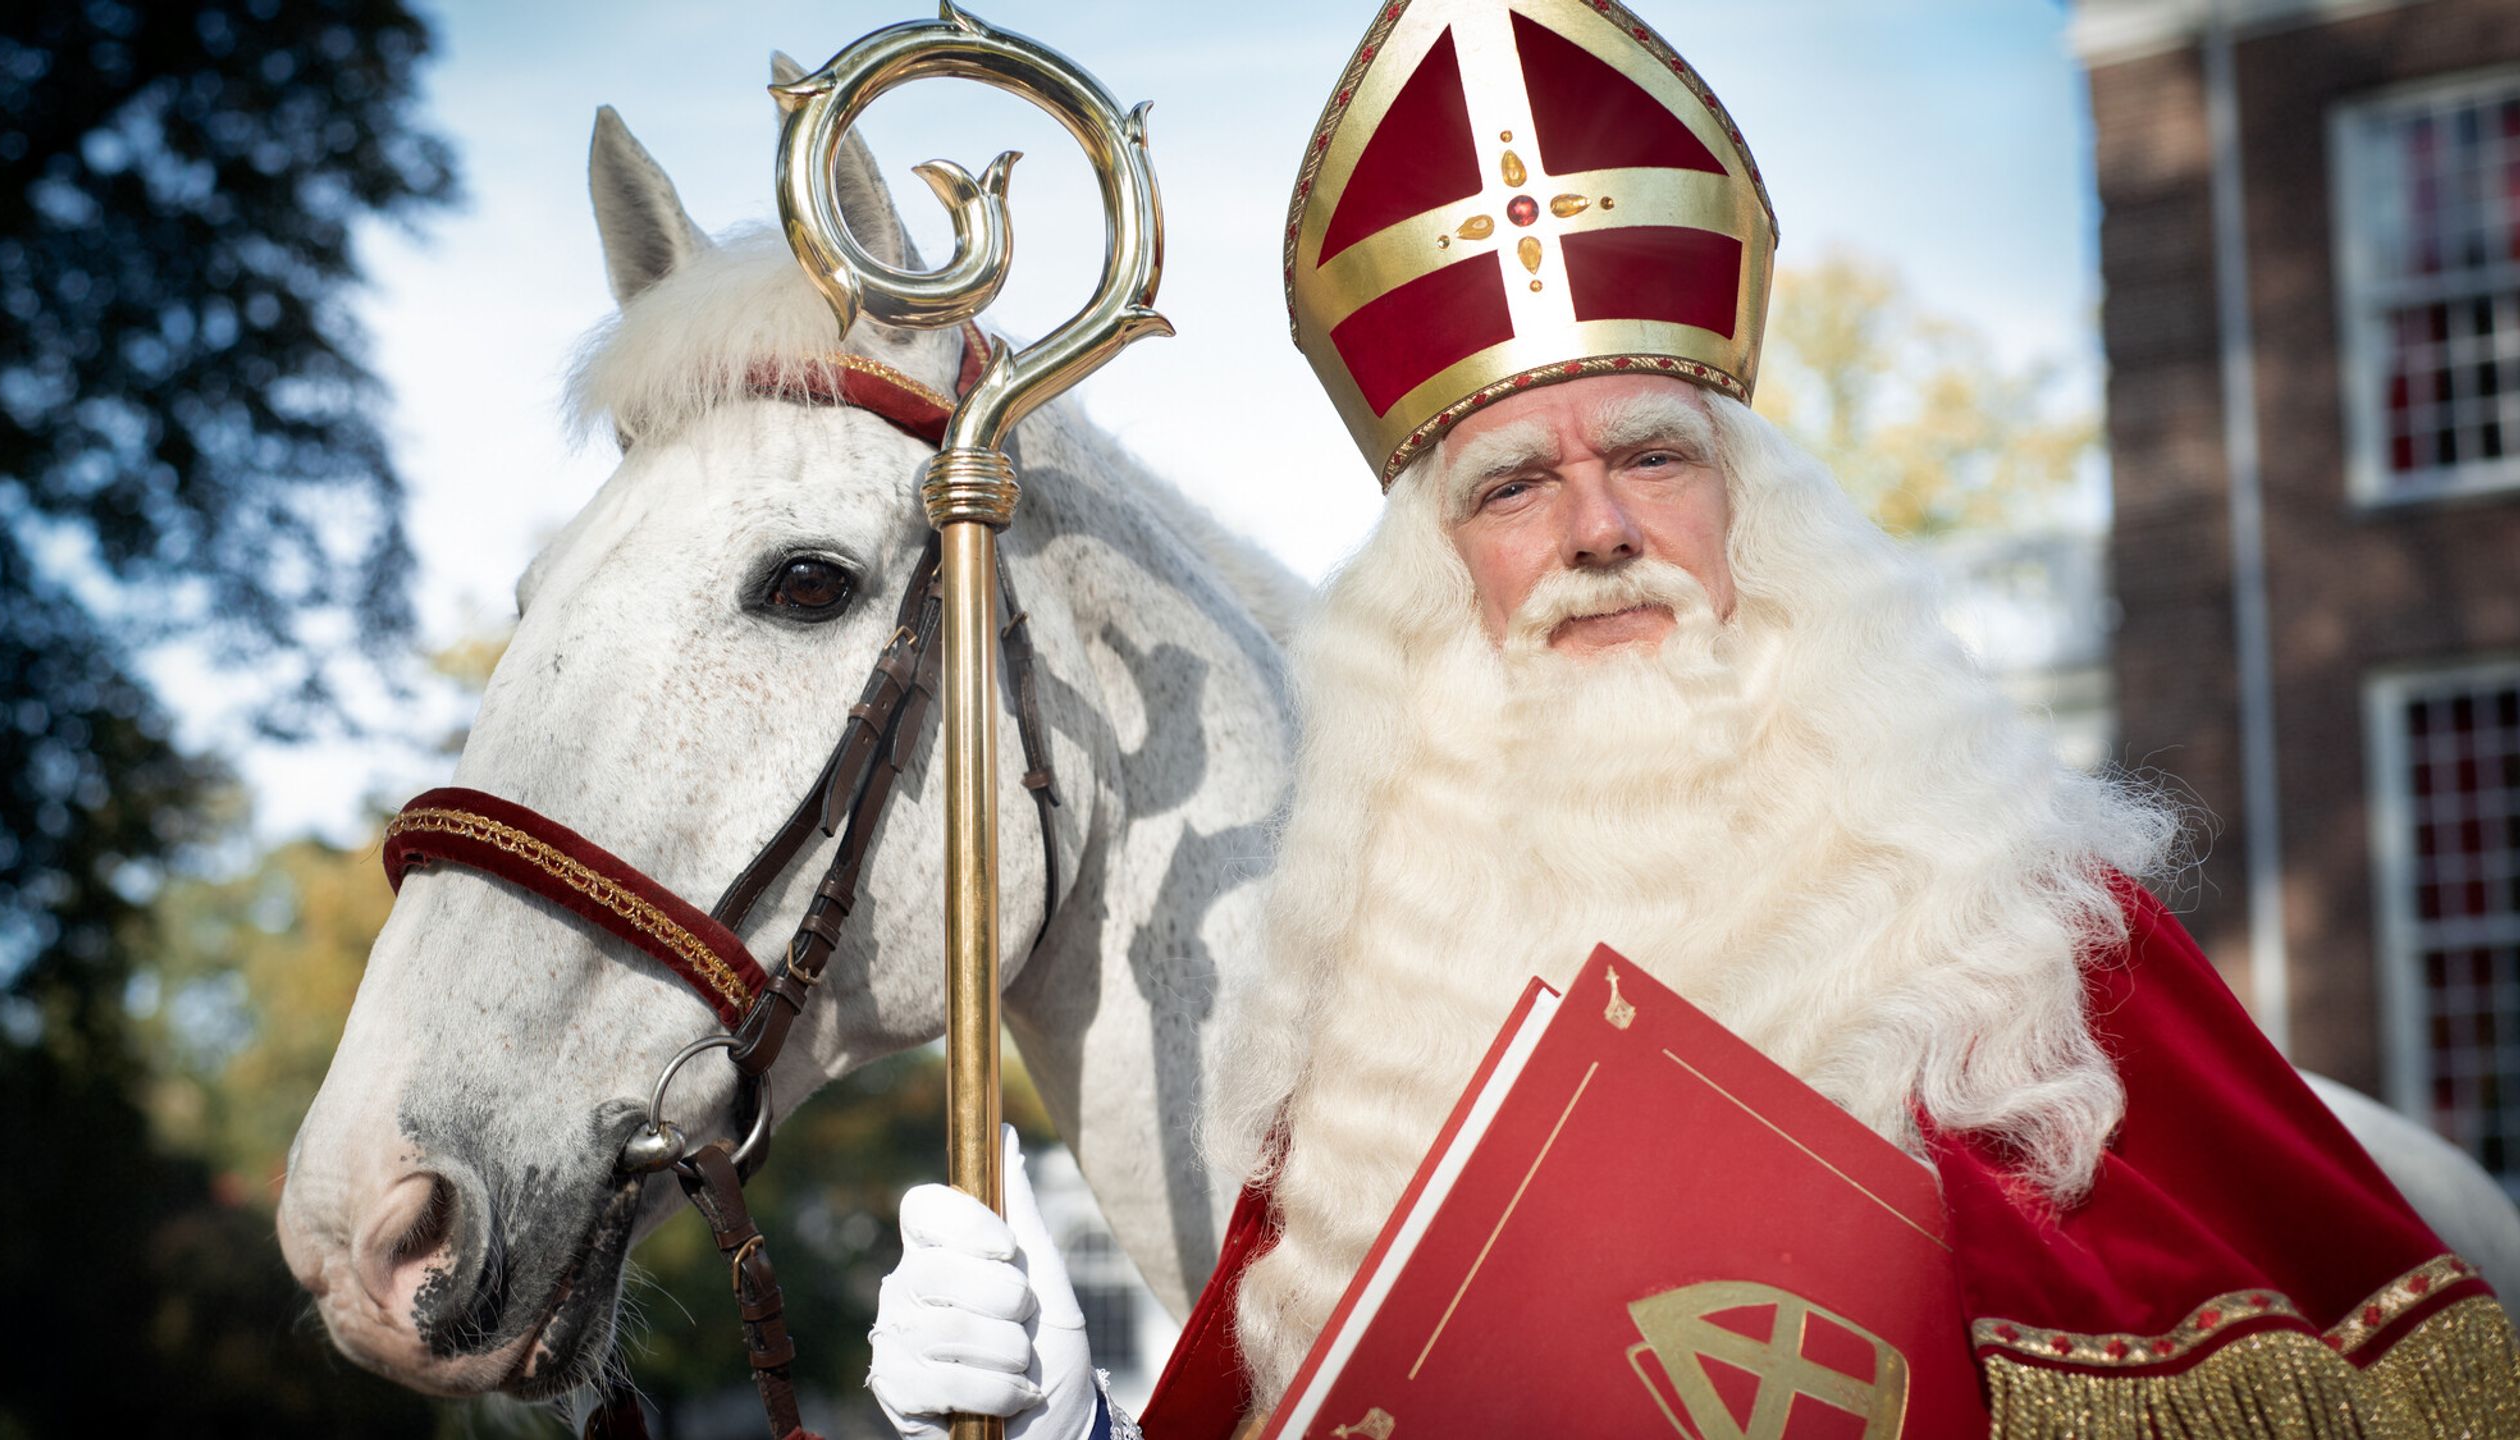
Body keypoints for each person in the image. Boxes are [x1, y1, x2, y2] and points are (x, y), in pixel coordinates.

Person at [864, 2, 2520, 1436]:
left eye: (1653, 456)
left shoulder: (2039, 954)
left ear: (1757, 526)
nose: (1599, 530)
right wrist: (1060, 1424)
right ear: (1438, 594)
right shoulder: (1371, 1050)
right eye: (1514, 484)